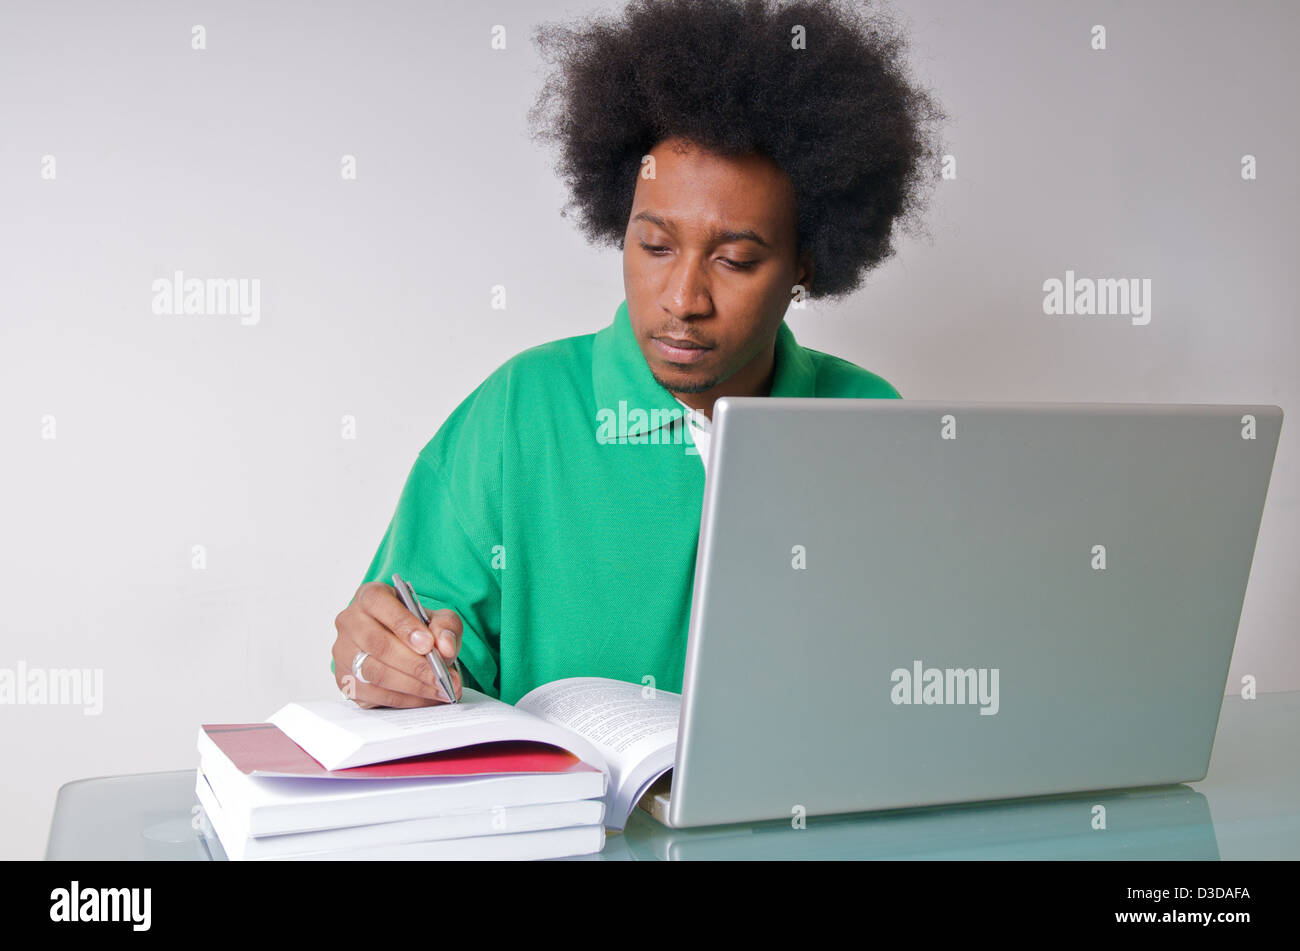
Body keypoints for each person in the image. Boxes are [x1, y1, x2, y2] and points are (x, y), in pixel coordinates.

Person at [331, 0, 946, 708]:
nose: (682, 298)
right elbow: (415, 646)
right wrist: (384, 657)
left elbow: (915, 671)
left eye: (737, 259)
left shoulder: (868, 420)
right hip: (576, 821)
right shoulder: (520, 410)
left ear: (806, 265)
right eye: (654, 246)